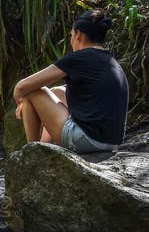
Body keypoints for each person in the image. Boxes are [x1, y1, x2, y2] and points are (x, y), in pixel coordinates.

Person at [12, 9, 129, 153]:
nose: (71, 39)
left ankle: (32, 154)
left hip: (88, 140)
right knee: (57, 92)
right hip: (111, 142)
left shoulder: (78, 59)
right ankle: (45, 146)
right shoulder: (109, 61)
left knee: (33, 92)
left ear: (79, 34)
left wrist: (20, 101)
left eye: (71, 35)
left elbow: (22, 87)